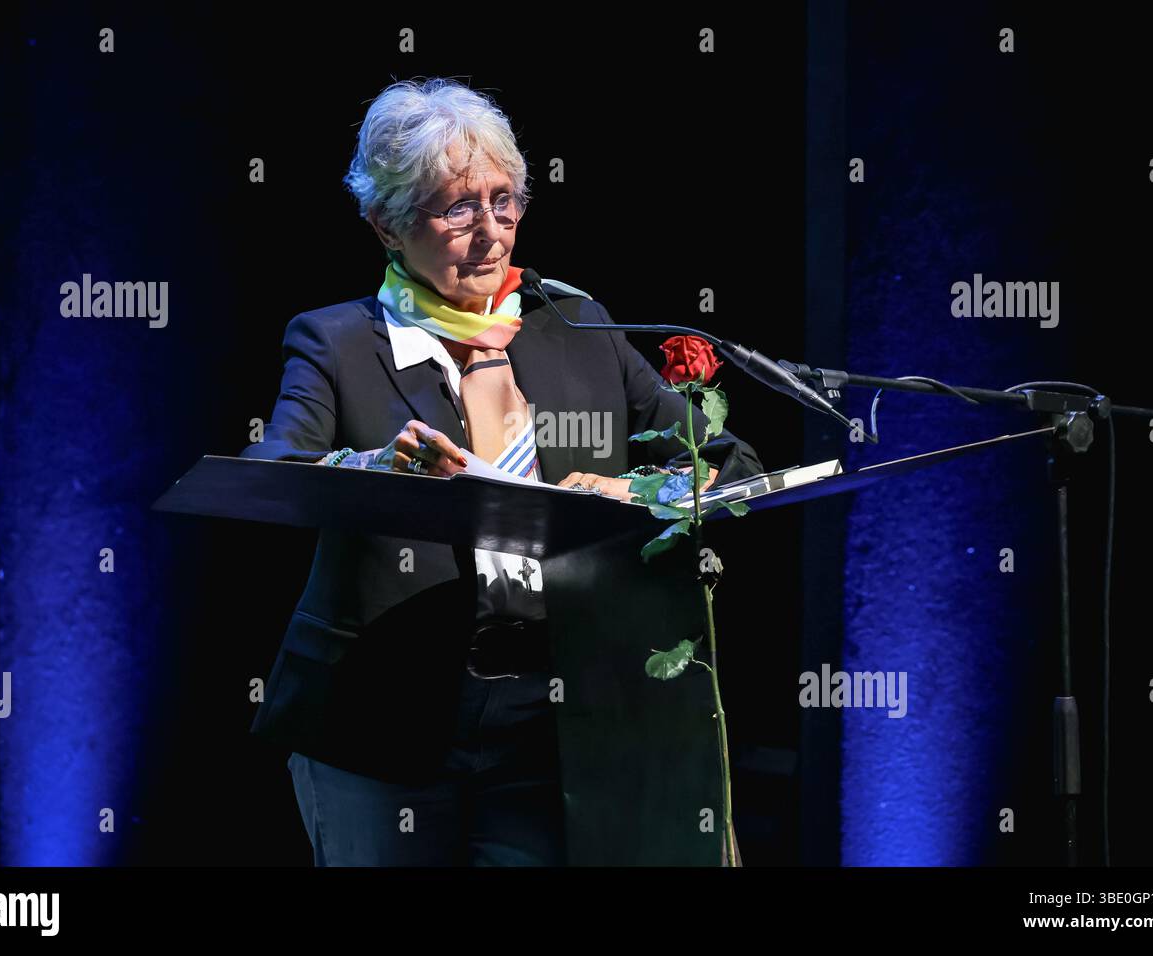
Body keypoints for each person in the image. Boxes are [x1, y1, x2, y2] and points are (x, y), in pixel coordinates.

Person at [240, 77, 765, 865]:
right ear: (386, 224)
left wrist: (635, 490)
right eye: (457, 209)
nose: (492, 233)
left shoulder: (578, 324)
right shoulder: (337, 343)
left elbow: (726, 459)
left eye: (505, 201)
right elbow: (273, 471)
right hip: (378, 715)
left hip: (554, 712)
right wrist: (375, 466)